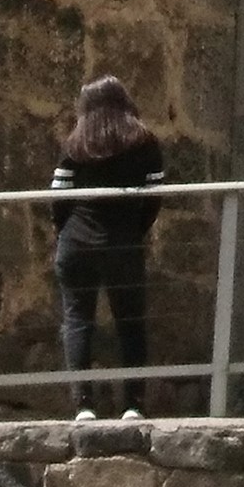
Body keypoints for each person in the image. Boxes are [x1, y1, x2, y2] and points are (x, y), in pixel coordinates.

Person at [48, 75, 165, 420]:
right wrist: (135, 229)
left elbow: (58, 196)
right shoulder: (144, 143)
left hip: (76, 241)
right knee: (130, 322)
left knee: (77, 320)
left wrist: (64, 231)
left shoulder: (75, 143)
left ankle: (83, 405)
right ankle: (133, 404)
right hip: (123, 242)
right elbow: (154, 196)